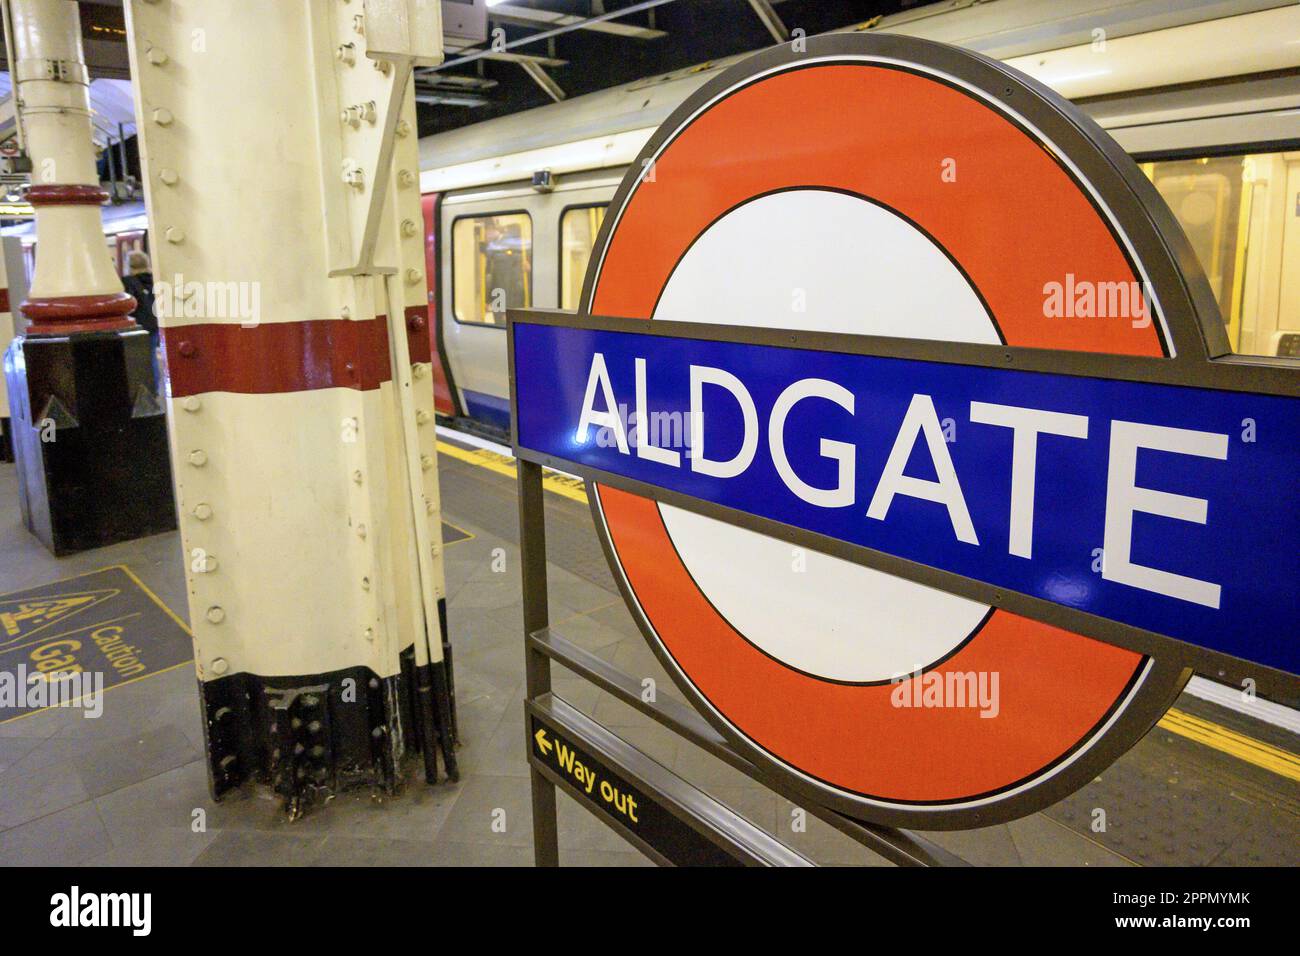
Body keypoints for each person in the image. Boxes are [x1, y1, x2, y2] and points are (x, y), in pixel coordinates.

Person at [120, 250, 161, 393]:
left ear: (129, 265)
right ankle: (154, 389)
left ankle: (141, 390)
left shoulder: (127, 282)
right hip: (154, 324)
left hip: (136, 325)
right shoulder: (154, 279)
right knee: (152, 357)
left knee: (135, 360)